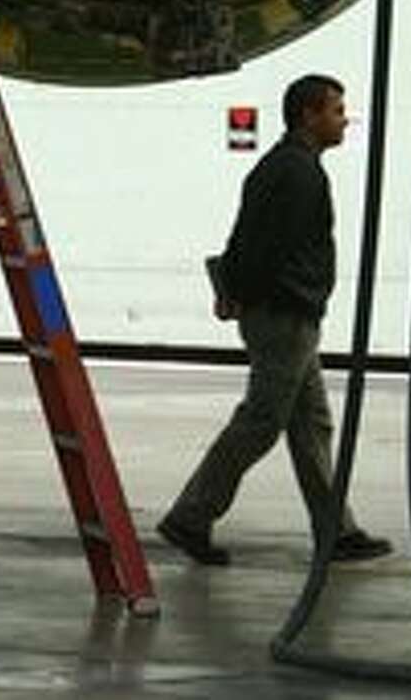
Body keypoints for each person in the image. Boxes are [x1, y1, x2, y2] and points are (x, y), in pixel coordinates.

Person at [158, 73, 392, 567]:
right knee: (262, 422)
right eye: (335, 110)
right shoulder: (296, 174)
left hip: (288, 314)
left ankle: (337, 531)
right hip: (285, 316)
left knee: (311, 426)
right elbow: (266, 247)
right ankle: (190, 517)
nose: (343, 119)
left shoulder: (288, 166)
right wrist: (245, 292)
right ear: (308, 115)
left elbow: (247, 237)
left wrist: (235, 290)